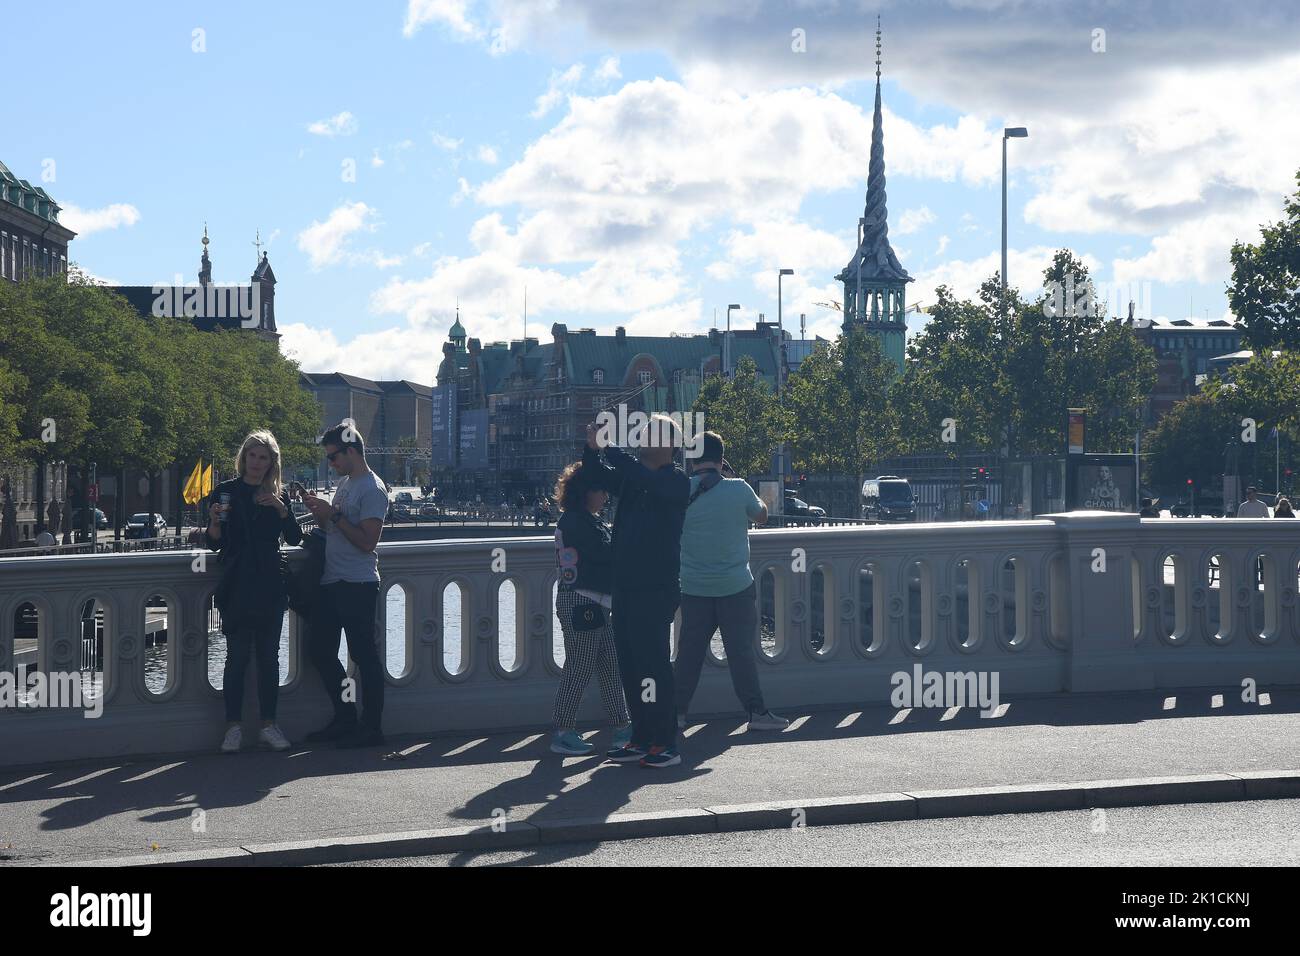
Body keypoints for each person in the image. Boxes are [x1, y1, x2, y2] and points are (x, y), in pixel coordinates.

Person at [582, 415, 689, 768]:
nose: (640, 442)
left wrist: (610, 447)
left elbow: (638, 474)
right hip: (625, 586)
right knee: (630, 664)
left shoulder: (675, 482)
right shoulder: (636, 479)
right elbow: (597, 477)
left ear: (666, 445)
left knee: (653, 665)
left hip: (655, 589)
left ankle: (665, 741)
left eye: (645, 437)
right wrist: (592, 449)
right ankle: (641, 737)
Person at [674, 432, 788, 732]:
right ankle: (756, 713)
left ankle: (676, 713)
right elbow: (762, 515)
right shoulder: (738, 489)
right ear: (721, 460)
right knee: (741, 653)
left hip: (693, 587)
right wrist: (735, 480)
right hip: (735, 587)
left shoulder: (681, 492)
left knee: (688, 654)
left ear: (692, 460)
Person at [205, 431, 302, 754]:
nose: (257, 463)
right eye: (253, 456)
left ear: (272, 462)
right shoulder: (225, 493)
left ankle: (268, 725)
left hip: (270, 581)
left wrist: (280, 508)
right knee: (236, 658)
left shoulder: (278, 495)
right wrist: (214, 524)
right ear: (243, 458)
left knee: (268, 658)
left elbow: (294, 538)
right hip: (237, 580)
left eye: (264, 458)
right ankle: (233, 727)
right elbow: (217, 541)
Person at [301, 421, 390, 748]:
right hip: (332, 580)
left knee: (364, 656)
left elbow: (368, 541)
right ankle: (345, 716)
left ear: (352, 450)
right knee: (320, 651)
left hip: (358, 583)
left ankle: (371, 727)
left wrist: (334, 516)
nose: (331, 463)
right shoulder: (346, 483)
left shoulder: (372, 489)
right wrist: (320, 511)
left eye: (334, 456)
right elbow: (335, 528)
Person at [548, 461, 633, 756]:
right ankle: (563, 730)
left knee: (609, 666)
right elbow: (605, 555)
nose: (605, 497)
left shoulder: (576, 520)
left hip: (589, 602)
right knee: (579, 667)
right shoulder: (578, 523)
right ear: (586, 492)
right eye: (601, 490)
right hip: (583, 602)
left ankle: (623, 726)